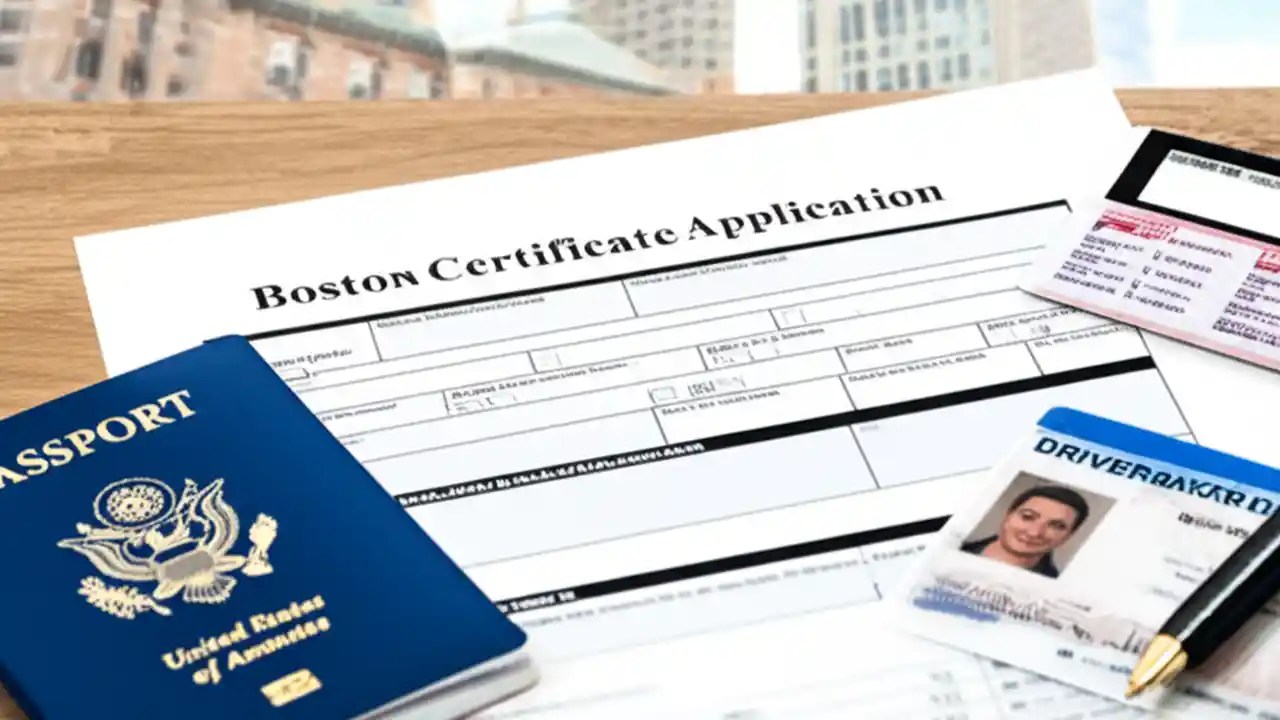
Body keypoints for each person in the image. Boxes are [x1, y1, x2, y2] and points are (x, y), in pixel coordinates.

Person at [960, 484, 1091, 578]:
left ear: (1069, 535)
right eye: (1028, 517)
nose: (1034, 533)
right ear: (1008, 516)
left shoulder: (1053, 593)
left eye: (1056, 526)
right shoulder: (950, 545)